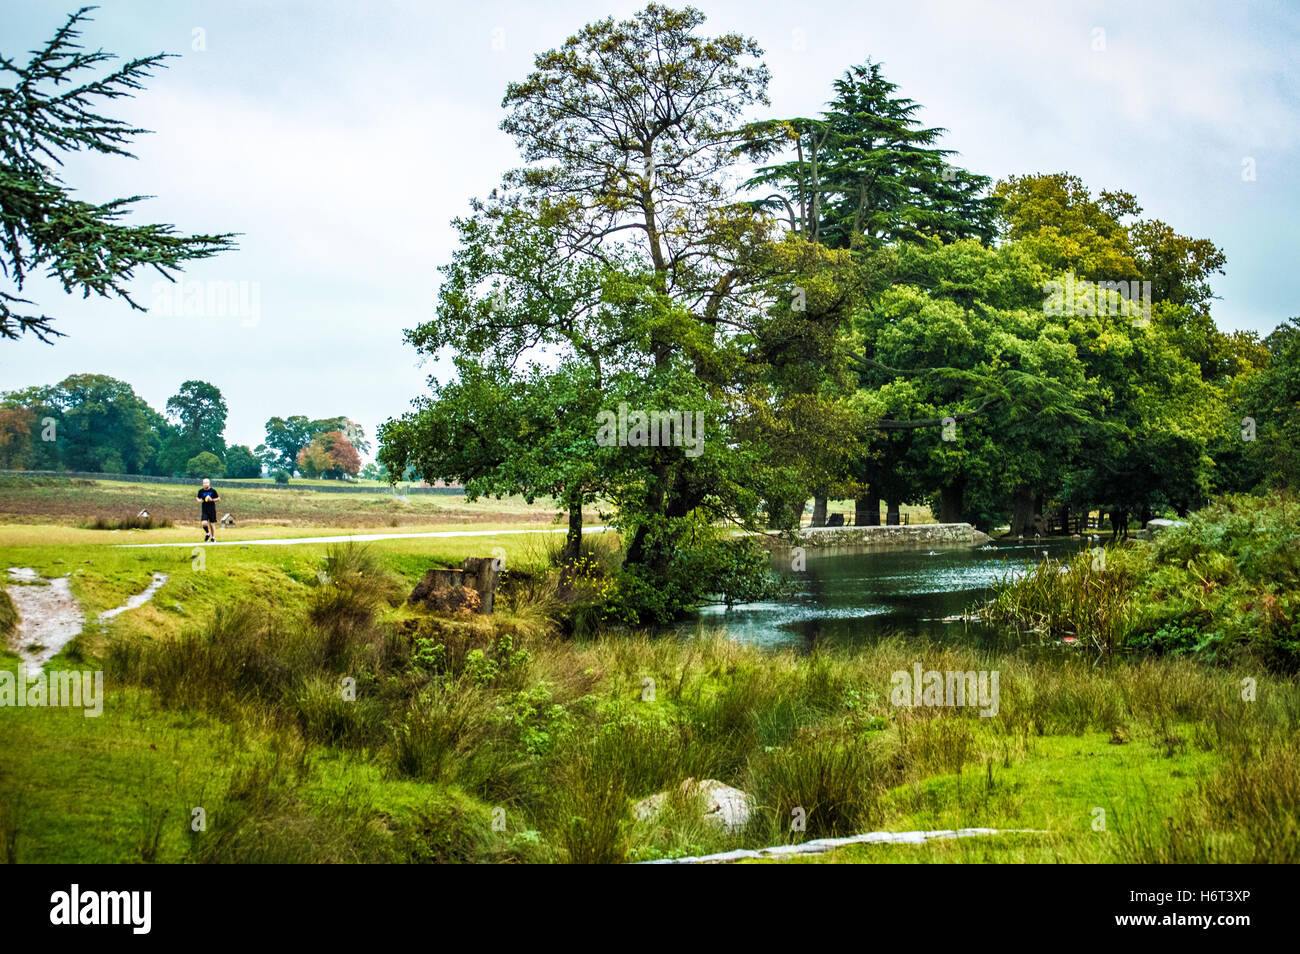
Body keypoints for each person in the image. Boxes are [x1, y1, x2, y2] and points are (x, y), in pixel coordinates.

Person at [196, 478, 220, 542]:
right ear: (202, 484)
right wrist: (199, 500)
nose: (205, 484)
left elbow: (218, 499)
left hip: (212, 509)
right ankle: (207, 533)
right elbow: (197, 498)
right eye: (204, 483)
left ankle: (213, 537)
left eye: (206, 483)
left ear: (209, 483)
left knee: (212, 524)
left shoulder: (213, 491)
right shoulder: (200, 491)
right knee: (204, 523)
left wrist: (211, 499)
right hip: (204, 509)